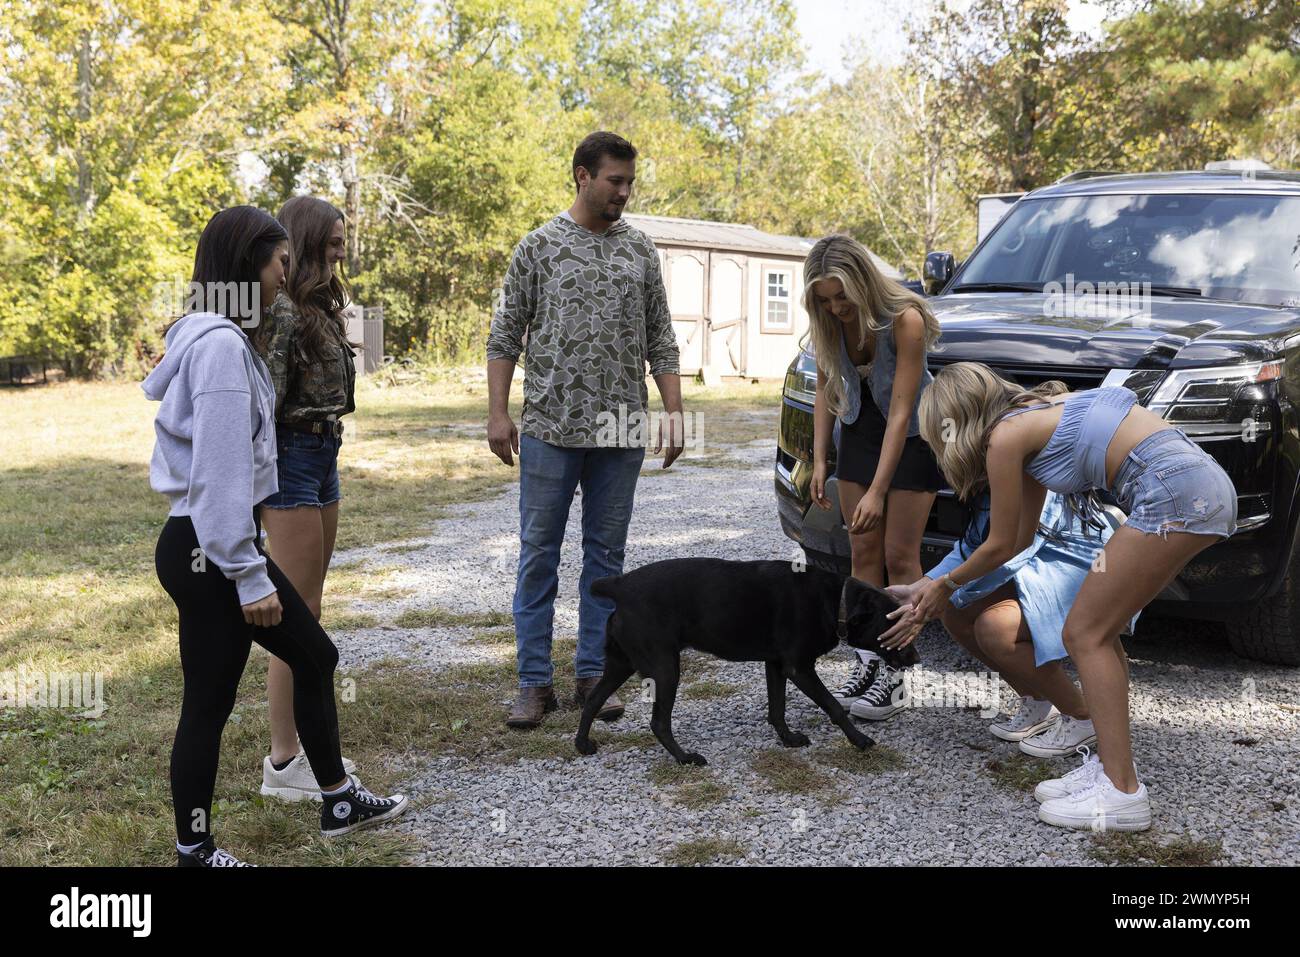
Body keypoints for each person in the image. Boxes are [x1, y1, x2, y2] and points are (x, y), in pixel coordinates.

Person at [144, 206, 407, 866]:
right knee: (214, 698)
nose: (285, 273)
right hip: (209, 549)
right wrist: (247, 570)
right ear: (247, 266)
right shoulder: (224, 352)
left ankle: (336, 798)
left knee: (309, 659)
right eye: (278, 262)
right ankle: (196, 848)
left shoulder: (214, 338)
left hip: (204, 545)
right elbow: (221, 474)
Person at [904, 362, 1237, 830]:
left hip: (1173, 493)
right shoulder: (1032, 422)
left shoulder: (1004, 437)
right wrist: (930, 583)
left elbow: (999, 543)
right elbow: (1017, 541)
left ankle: (1123, 795)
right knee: (1099, 633)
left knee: (1085, 634)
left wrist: (946, 585)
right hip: (1189, 485)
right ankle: (1110, 768)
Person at [485, 131, 683, 729]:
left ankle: (596, 670)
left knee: (606, 559)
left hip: (621, 425)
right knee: (538, 554)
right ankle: (533, 682)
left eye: (629, 182)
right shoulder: (538, 247)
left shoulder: (640, 251)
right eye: (613, 181)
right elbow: (503, 336)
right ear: (581, 176)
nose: (624, 192)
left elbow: (661, 339)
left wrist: (674, 411)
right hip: (549, 424)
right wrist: (498, 413)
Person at [880, 490, 1141, 758]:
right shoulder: (985, 487)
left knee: (995, 628)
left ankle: (1083, 717)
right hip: (1046, 570)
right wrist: (921, 589)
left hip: (1091, 571)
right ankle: (1039, 700)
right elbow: (972, 547)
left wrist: (943, 590)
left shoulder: (1028, 479)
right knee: (956, 612)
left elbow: (1009, 552)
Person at [803, 235, 943, 721]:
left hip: (912, 437)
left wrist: (880, 491)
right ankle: (869, 661)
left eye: (842, 296)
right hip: (860, 432)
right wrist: (821, 460)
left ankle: (899, 674)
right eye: (824, 299)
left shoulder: (905, 319)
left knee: (899, 556)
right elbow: (825, 388)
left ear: (863, 282)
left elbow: (903, 409)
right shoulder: (827, 321)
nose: (836, 307)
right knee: (861, 553)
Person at [252, 195, 361, 802]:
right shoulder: (283, 310)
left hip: (324, 455)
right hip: (291, 458)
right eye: (335, 239)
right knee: (296, 619)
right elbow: (262, 400)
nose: (343, 246)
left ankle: (297, 753)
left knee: (311, 608)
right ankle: (285, 761)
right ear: (308, 238)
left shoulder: (320, 303)